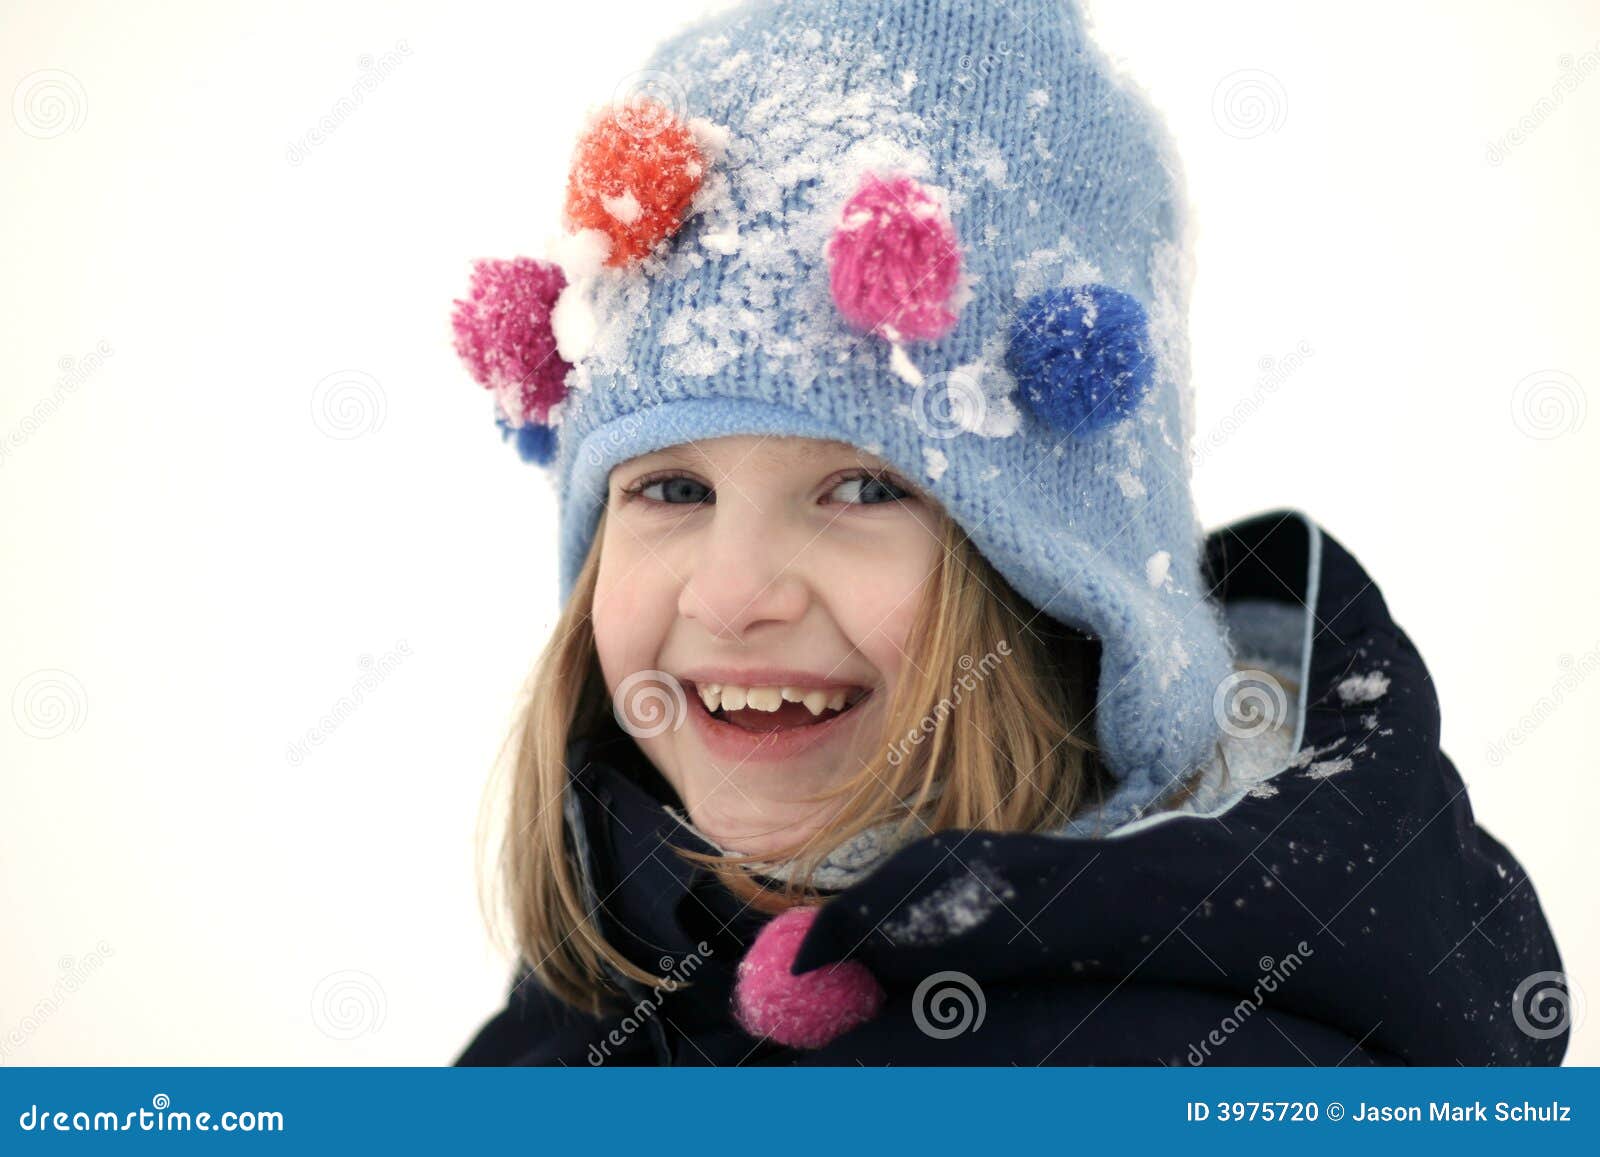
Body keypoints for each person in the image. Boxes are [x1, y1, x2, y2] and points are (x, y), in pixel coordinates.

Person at [446, 0, 1571, 1065]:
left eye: (861, 488)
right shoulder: (601, 996)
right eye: (672, 490)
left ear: (1058, 578)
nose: (733, 595)